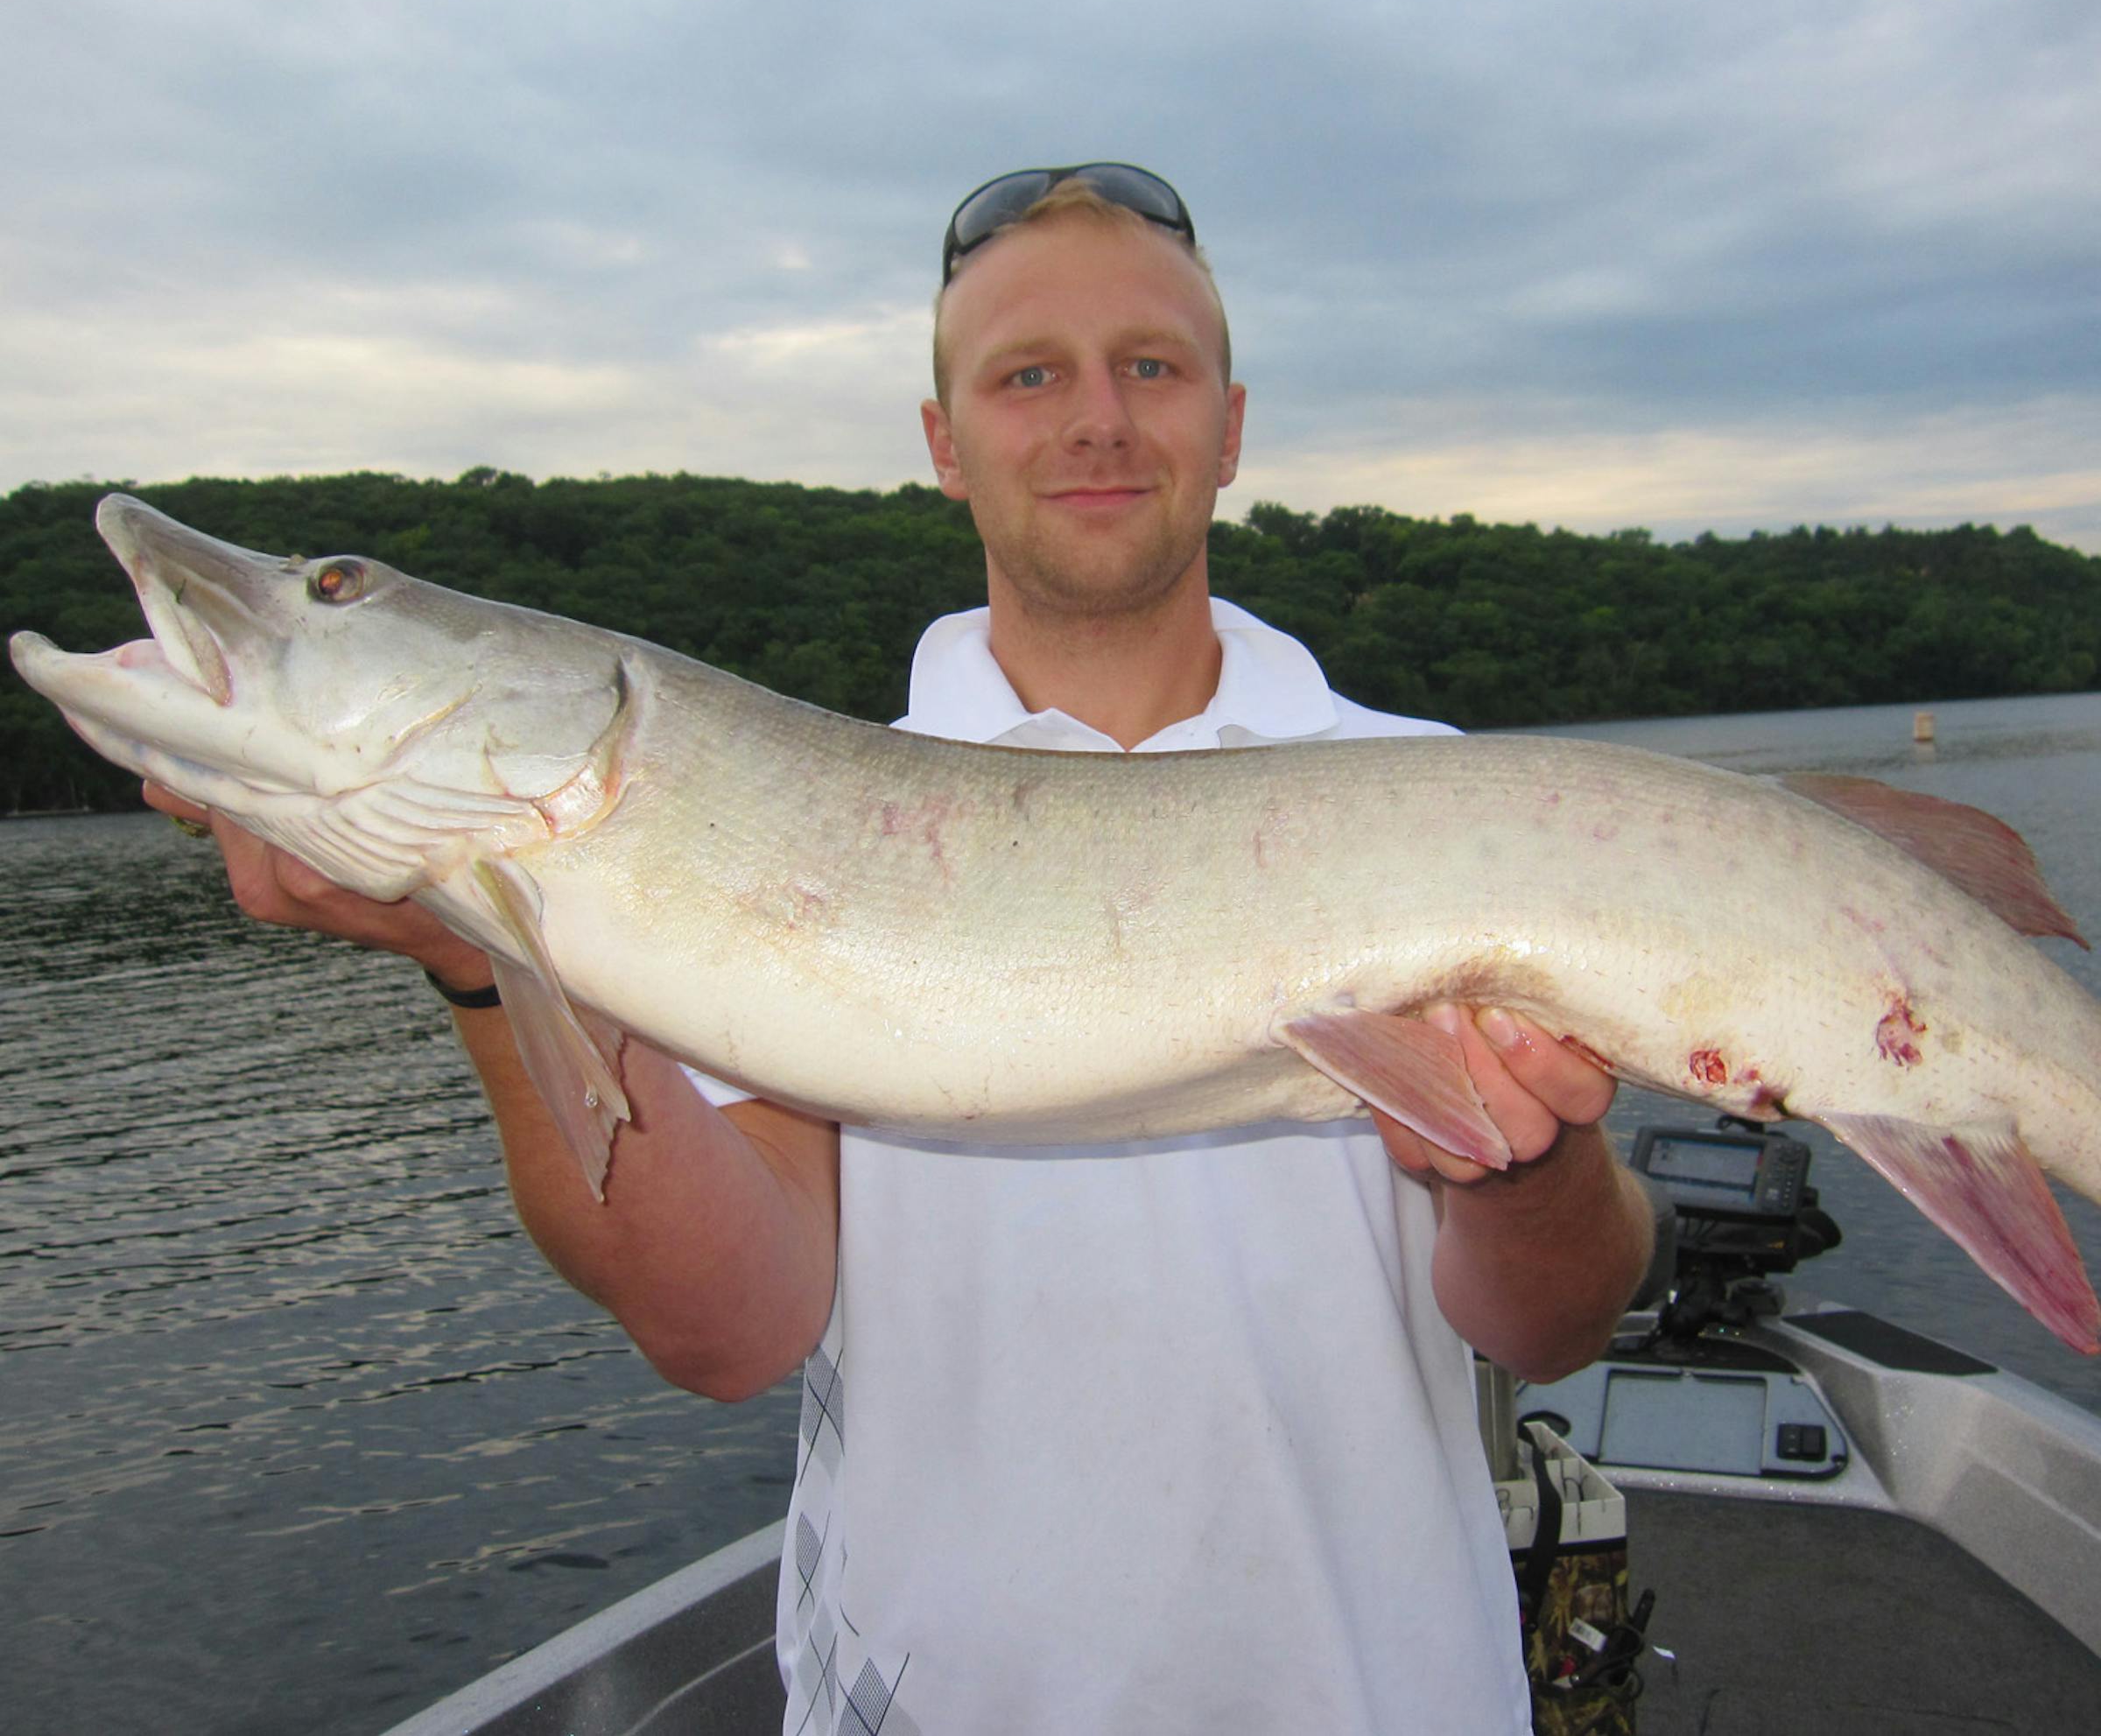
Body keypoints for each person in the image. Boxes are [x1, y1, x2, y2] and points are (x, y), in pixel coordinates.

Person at [149, 163, 1655, 1733]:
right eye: (1028, 375)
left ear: (1230, 425)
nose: (1096, 420)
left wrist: (1528, 1165)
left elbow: (1553, 1327)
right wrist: (480, 958)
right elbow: (730, 1325)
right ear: (944, 442)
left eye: (1151, 366)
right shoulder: (781, 842)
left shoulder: (1440, 799)